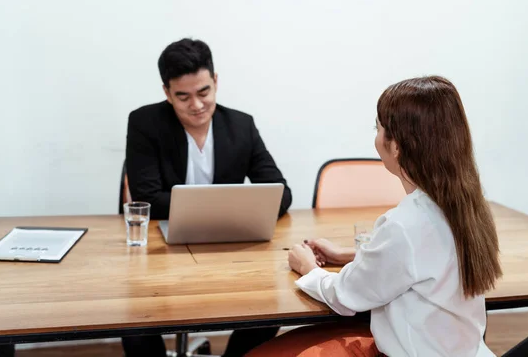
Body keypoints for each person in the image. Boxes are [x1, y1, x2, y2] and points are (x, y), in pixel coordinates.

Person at [248, 76, 503, 357]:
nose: (376, 136)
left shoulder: (405, 225)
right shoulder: (467, 206)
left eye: (378, 127)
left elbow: (347, 297)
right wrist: (350, 255)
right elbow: (419, 262)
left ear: (396, 146)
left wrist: (308, 268)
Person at [123, 38, 292, 357]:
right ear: (167, 93)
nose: (197, 105)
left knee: (270, 305)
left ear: (215, 81)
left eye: (204, 92)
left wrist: (229, 208)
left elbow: (280, 193)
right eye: (182, 96)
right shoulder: (145, 123)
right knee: (135, 320)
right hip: (161, 252)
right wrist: (229, 205)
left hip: (226, 250)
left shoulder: (241, 125)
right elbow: (146, 197)